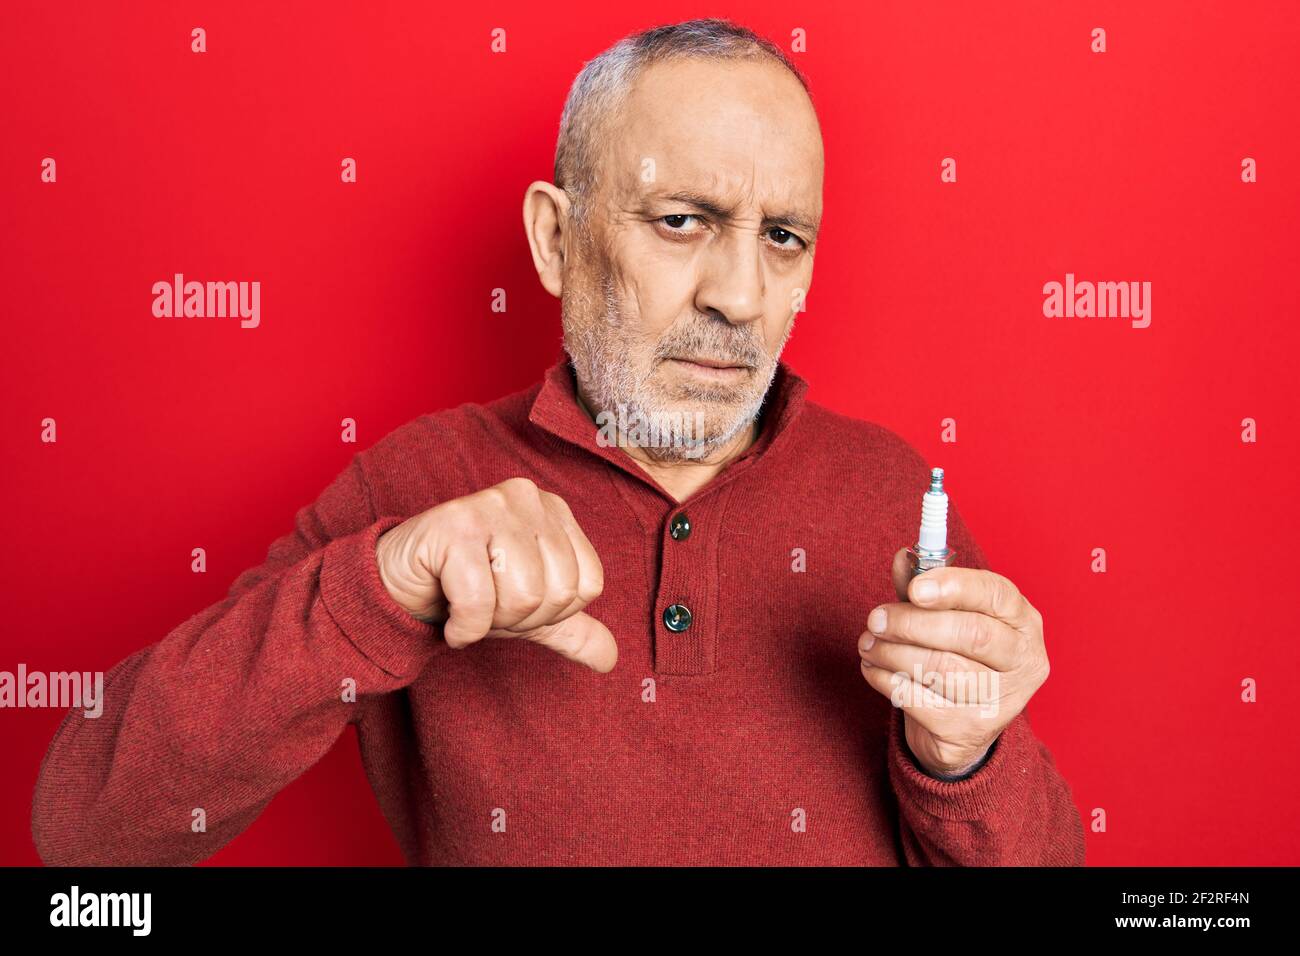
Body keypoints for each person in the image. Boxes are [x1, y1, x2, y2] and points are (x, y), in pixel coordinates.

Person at [32, 17, 1085, 866]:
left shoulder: (893, 495)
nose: (739, 295)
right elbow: (87, 831)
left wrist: (964, 756)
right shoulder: (420, 481)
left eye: (781, 236)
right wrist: (382, 584)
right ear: (553, 239)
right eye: (682, 219)